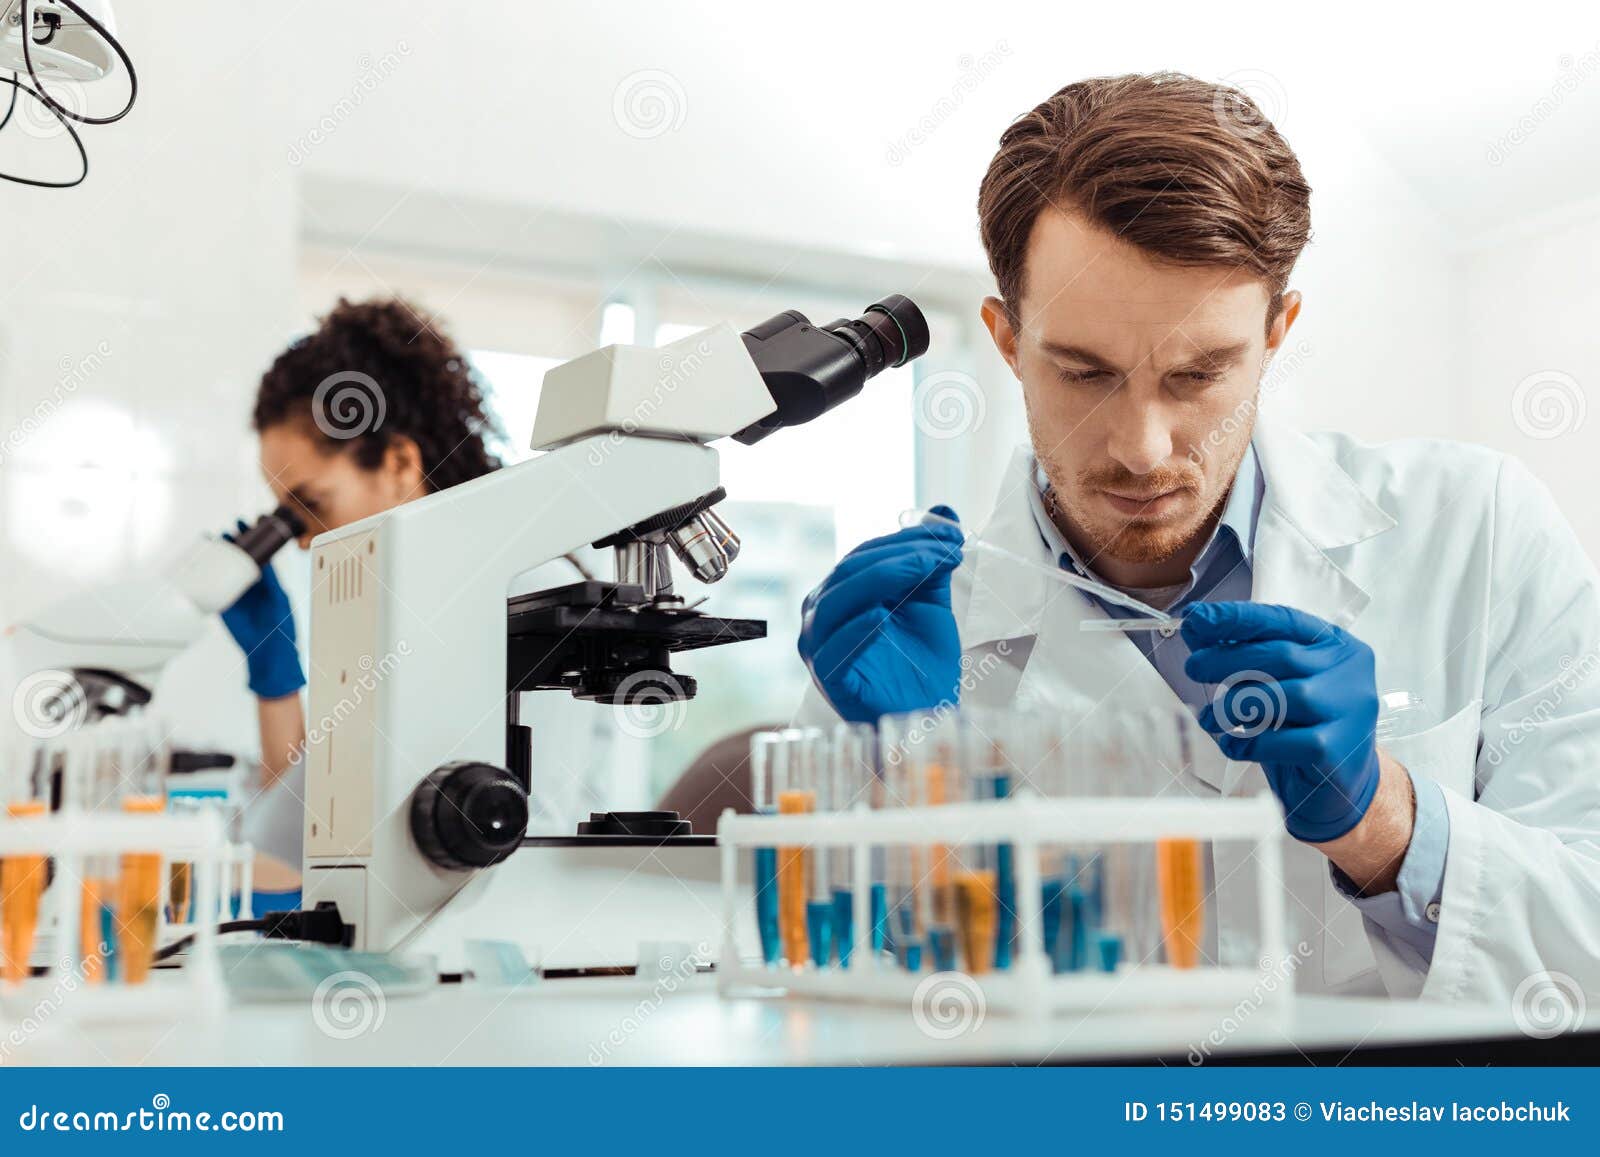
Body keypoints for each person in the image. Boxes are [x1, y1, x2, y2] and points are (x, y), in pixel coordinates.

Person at [796, 73, 1600, 1002]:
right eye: (1083, 372)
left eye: (1199, 374)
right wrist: (919, 783)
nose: (1141, 448)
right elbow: (849, 1020)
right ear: (1007, 341)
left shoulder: (1480, 531)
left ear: (1277, 332)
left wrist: (1384, 823)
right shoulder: (910, 638)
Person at [223, 296, 598, 884]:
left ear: (398, 462)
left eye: (310, 506)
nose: (298, 542)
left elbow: (524, 831)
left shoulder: (527, 590)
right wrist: (276, 680)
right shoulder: (395, 600)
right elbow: (301, 821)